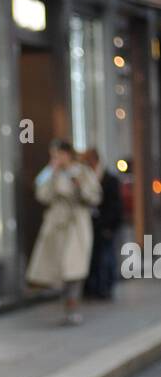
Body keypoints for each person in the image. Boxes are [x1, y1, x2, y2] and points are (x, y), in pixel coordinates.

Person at [26, 139, 102, 324]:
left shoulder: (82, 171)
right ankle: (67, 306)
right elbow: (42, 195)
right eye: (53, 155)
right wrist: (52, 174)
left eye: (58, 154)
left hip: (76, 225)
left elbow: (94, 196)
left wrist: (79, 186)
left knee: (74, 268)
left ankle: (73, 307)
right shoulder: (51, 173)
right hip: (57, 225)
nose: (56, 158)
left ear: (67, 154)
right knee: (60, 268)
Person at [82, 148, 123, 301]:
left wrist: (109, 226)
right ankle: (94, 288)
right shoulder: (86, 178)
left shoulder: (109, 179)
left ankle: (106, 287)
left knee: (107, 257)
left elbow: (115, 206)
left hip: (106, 225)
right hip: (92, 225)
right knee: (94, 258)